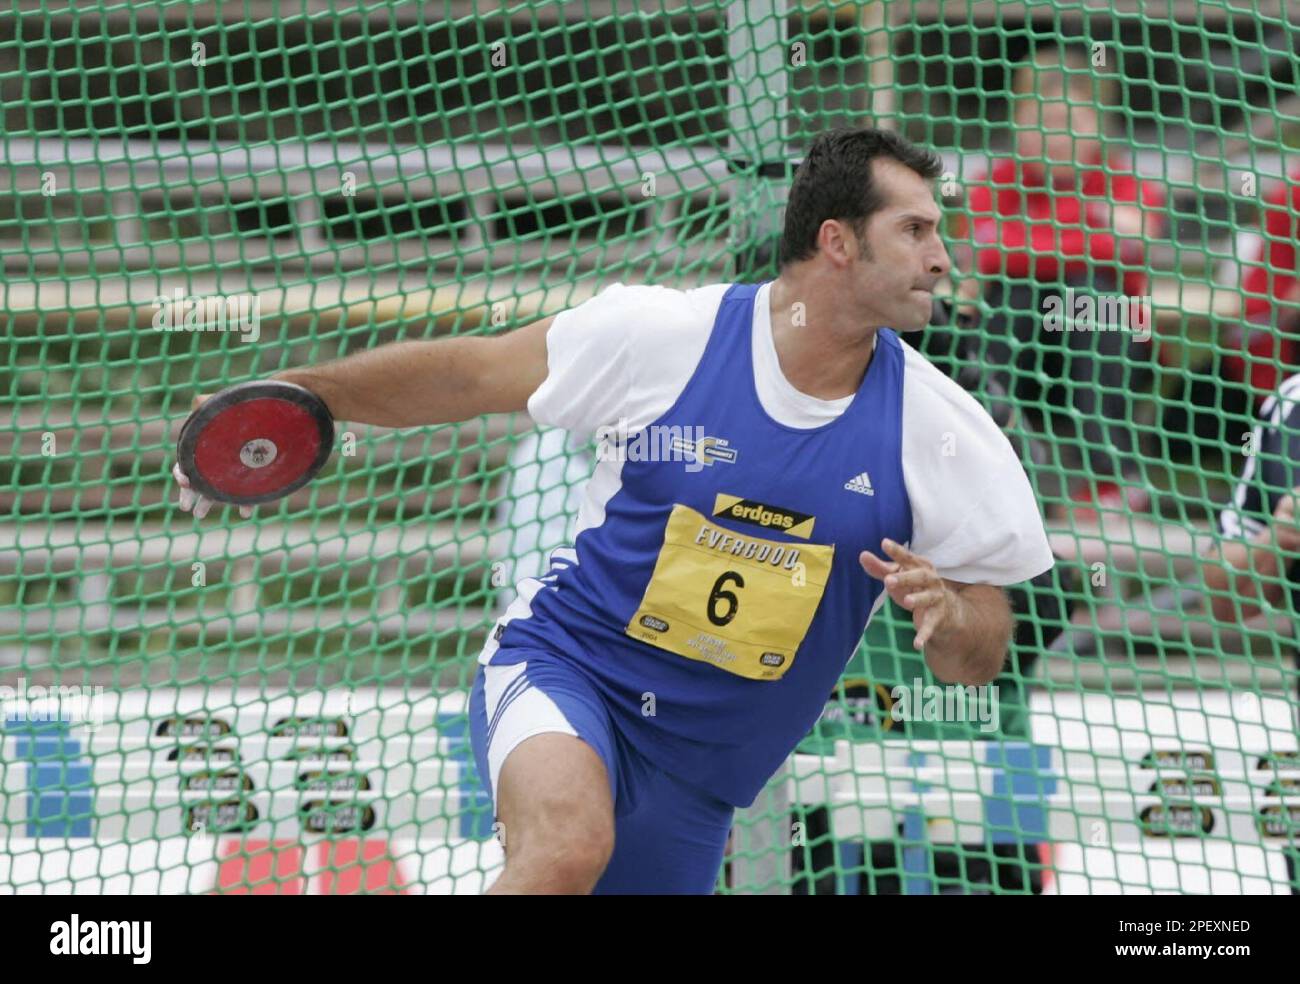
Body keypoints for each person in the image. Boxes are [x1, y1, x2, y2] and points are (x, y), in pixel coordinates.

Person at [176, 126, 1054, 894]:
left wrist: (950, 619)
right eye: (915, 230)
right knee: (566, 848)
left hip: (702, 773)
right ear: (837, 243)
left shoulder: (940, 428)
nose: (943, 258)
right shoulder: (663, 337)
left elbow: (983, 651)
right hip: (570, 669)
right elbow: (473, 373)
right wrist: (300, 395)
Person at [958, 45, 1166, 517]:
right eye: (1041, 119)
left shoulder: (1120, 179)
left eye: (1071, 121)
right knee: (1016, 293)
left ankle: (1112, 475)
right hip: (1019, 346)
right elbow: (987, 244)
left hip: (1105, 350)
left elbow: (1131, 238)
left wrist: (1038, 237)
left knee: (1090, 287)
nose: (1055, 135)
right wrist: (1087, 224)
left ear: (1099, 125)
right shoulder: (996, 180)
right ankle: (997, 463)